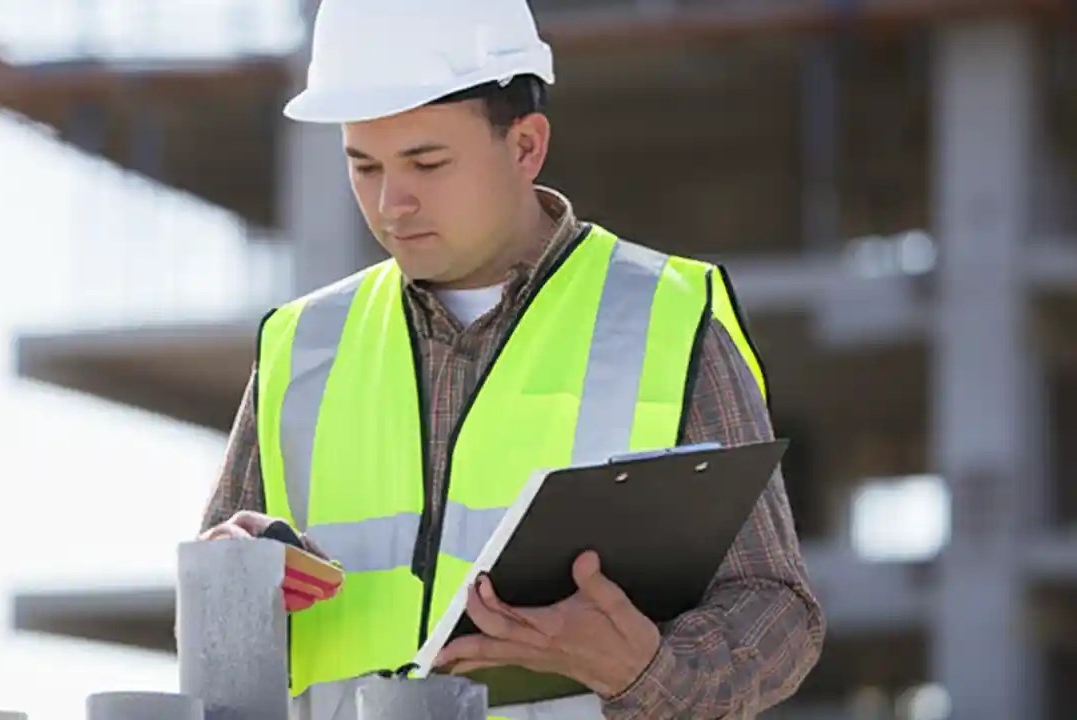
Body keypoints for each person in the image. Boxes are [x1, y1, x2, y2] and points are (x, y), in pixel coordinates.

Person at [199, 0, 825, 717]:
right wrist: (230, 575)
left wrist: (646, 670)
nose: (390, 203)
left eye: (426, 163)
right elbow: (218, 633)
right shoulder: (301, 343)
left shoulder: (668, 318)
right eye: (362, 165)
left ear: (526, 146)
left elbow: (776, 609)